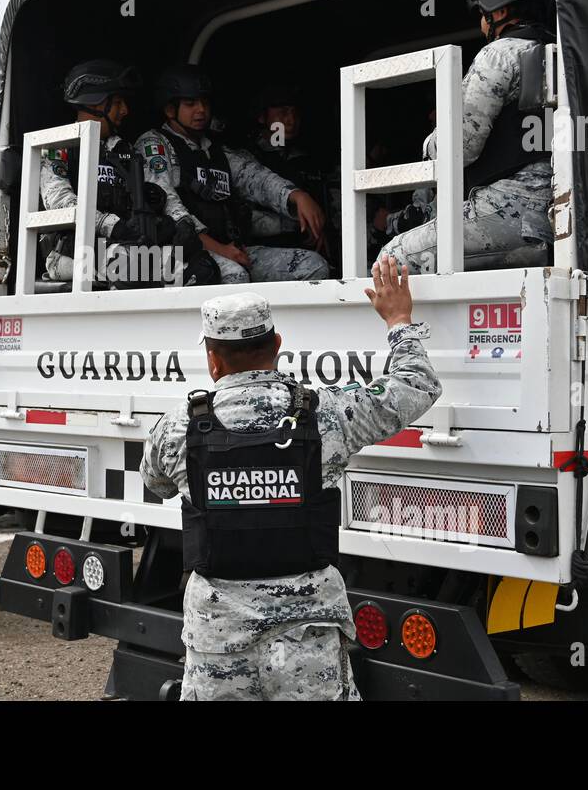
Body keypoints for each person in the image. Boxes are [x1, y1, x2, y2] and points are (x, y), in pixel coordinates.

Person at [139, 259, 440, 700]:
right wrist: (398, 321)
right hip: (307, 639)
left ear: (212, 359)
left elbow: (157, 484)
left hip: (217, 640)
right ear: (277, 344)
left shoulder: (178, 427)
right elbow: (416, 387)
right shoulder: (325, 417)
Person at [378, 0, 556, 274]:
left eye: (483, 14)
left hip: (509, 213)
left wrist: (429, 144)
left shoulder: (499, 54)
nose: (481, 23)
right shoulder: (562, 55)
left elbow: (458, 147)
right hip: (555, 219)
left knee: (392, 260)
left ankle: (405, 327)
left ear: (500, 9)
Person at [136, 65, 329, 285]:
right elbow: (168, 207)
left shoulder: (214, 149)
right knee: (234, 275)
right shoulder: (155, 144)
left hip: (230, 248)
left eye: (205, 103)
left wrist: (296, 195)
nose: (201, 110)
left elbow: (256, 178)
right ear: (170, 110)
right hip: (183, 253)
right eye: (190, 104)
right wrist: (218, 249)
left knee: (313, 266)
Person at [41, 59, 218, 288]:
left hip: (128, 247)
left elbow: (158, 187)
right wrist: (112, 224)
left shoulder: (125, 150)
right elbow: (58, 201)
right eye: (117, 103)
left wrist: (181, 222)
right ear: (94, 103)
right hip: (75, 252)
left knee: (202, 269)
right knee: (133, 268)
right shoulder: (59, 145)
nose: (125, 110)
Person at [246, 84, 338, 262]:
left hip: (309, 251)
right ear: (261, 116)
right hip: (262, 250)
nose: (291, 120)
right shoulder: (249, 157)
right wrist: (302, 222)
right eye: (282, 113)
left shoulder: (308, 160)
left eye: (295, 113)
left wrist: (321, 227)